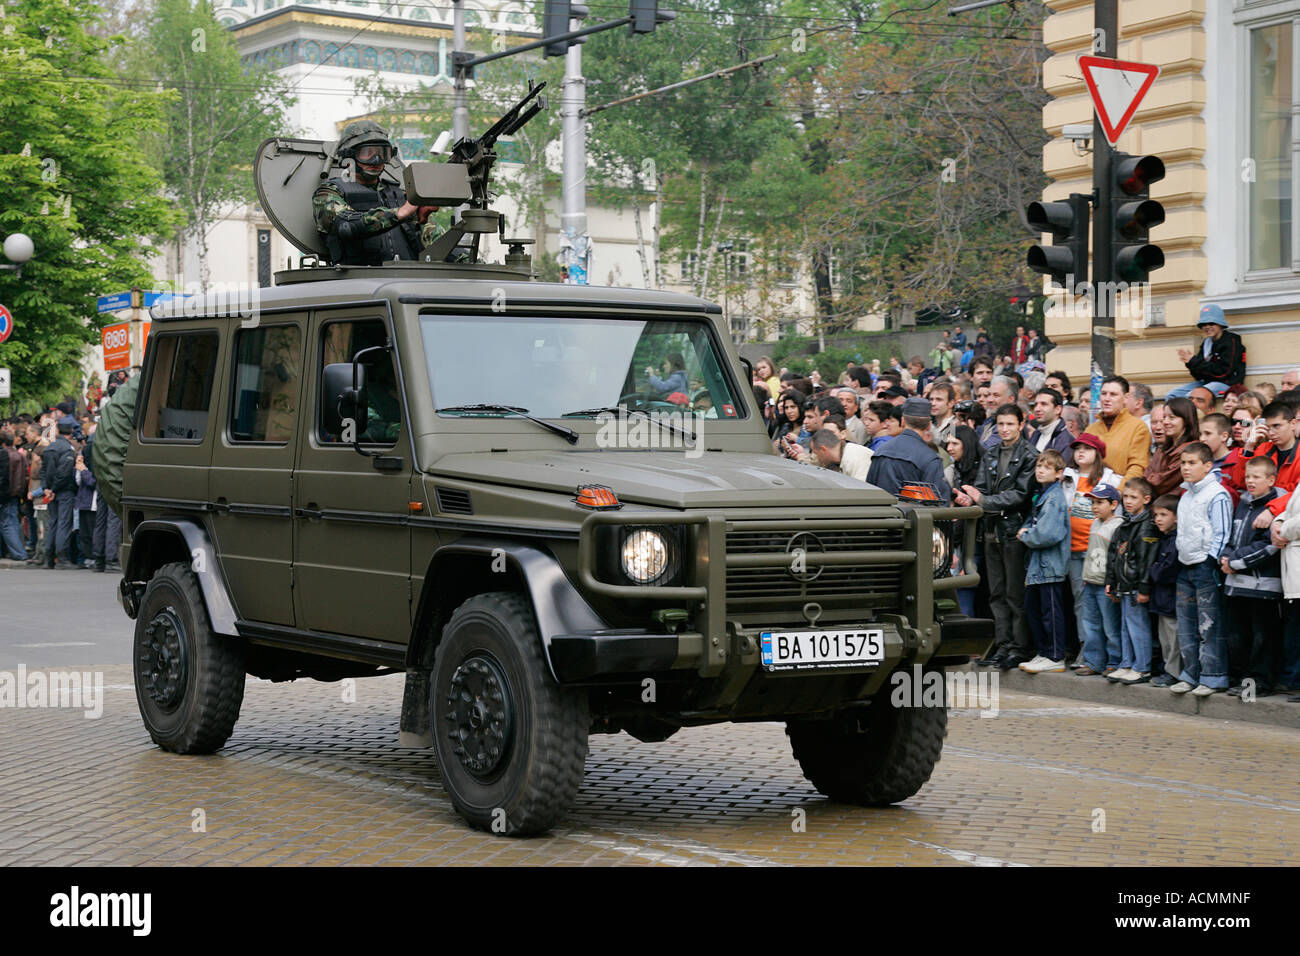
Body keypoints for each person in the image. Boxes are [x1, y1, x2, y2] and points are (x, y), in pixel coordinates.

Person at [959, 404, 1038, 669]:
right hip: (991, 530)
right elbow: (980, 488)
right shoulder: (991, 452)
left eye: (1010, 424)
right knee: (996, 592)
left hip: (1013, 531)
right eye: (1000, 424)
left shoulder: (1029, 454)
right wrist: (970, 497)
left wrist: (983, 499)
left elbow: (1020, 495)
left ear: (1021, 424)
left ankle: (1019, 647)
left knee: (1015, 594)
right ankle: (1003, 645)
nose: (1004, 429)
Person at [312, 121, 438, 266]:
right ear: (348, 156)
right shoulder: (329, 193)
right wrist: (400, 213)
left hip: (407, 279)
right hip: (355, 281)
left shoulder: (400, 195)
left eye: (382, 153)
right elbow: (346, 226)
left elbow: (435, 240)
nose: (376, 160)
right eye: (367, 153)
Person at [1171, 442, 1234, 695]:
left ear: (1208, 466)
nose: (1186, 468)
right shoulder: (1186, 496)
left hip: (1205, 567)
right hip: (1185, 564)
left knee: (1209, 625)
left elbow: (1222, 532)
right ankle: (1190, 674)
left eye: (1192, 463)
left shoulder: (1217, 494)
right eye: (1183, 463)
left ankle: (1213, 676)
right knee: (1186, 624)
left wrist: (1210, 560)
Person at [1221, 456, 1284, 698]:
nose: (1250, 481)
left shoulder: (1277, 506)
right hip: (1236, 585)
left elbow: (1268, 546)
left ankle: (1259, 685)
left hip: (1263, 587)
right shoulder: (1243, 503)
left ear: (1270, 480)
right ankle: (1243, 682)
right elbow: (1232, 537)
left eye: (1256, 477)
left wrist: (1235, 563)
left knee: (1262, 639)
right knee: (1239, 637)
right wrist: (1224, 558)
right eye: (1247, 476)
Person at [1016, 450, 1072, 672]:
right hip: (1038, 567)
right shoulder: (1043, 494)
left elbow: (1049, 533)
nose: (1040, 470)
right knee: (1033, 609)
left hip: (1050, 566)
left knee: (1051, 612)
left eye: (1047, 467)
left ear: (1059, 473)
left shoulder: (1055, 497)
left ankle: (1056, 655)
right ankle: (1043, 652)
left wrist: (1026, 535)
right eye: (1039, 465)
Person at [1105, 476, 1159, 684]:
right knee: (1126, 627)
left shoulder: (1147, 526)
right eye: (1125, 497)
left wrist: (1144, 586)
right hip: (1123, 584)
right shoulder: (1125, 524)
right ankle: (1126, 664)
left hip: (1136, 585)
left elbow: (1147, 559)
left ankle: (1142, 667)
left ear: (1146, 499)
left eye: (1133, 497)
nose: (1128, 501)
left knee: (1138, 627)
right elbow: (1114, 555)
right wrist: (1111, 580)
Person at [1077, 483, 1123, 676]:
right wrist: (1086, 576)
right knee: (1090, 624)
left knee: (1110, 626)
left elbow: (1116, 558)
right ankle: (1094, 661)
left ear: (1113, 504)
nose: (1094, 506)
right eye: (1092, 502)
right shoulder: (1095, 523)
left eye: (1099, 502)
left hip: (1106, 585)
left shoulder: (1118, 526)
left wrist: (1112, 583)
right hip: (1090, 581)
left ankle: (1115, 661)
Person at [865, 397, 950, 499]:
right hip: (912, 514)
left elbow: (869, 491)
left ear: (903, 421)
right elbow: (938, 503)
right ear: (928, 425)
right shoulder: (929, 458)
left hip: (881, 513)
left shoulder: (881, 450)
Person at [1170, 304, 1247, 398]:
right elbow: (1199, 375)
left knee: (1190, 397)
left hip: (1227, 384)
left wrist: (1195, 361)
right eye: (1204, 325)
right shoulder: (1206, 343)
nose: (1207, 327)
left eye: (1211, 323)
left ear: (1220, 324)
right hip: (1206, 383)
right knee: (1172, 395)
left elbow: (1224, 373)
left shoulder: (1231, 342)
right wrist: (1190, 363)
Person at [1084, 375, 1152, 482]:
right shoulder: (1090, 429)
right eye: (1103, 394)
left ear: (1125, 398)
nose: (1107, 399)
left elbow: (1137, 467)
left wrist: (1118, 492)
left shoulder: (1138, 427)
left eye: (1113, 394)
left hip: (1119, 492)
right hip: (1088, 490)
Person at [1147, 494, 1183, 687]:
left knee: (1173, 639)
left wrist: (1152, 568)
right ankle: (1168, 670)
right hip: (1161, 599)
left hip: (1171, 599)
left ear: (1176, 517)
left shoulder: (1175, 540)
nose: (1158, 519)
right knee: (1165, 639)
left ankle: (1174, 673)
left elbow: (1164, 572)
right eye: (1156, 515)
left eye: (1163, 514)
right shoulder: (1164, 538)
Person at [41, 417, 78, 570]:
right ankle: (62, 558)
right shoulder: (67, 448)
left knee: (53, 523)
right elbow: (64, 472)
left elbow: (44, 471)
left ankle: (48, 558)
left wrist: (47, 488)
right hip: (63, 491)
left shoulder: (50, 447)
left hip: (52, 491)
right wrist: (54, 489)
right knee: (63, 523)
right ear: (70, 431)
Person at [1144, 396, 1199, 498]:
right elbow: (1147, 473)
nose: (1165, 422)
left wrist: (1149, 478)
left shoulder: (1191, 450)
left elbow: (1160, 484)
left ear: (1186, 420)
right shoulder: (1162, 448)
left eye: (1172, 418)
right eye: (1164, 417)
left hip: (1173, 505)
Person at [1030, 387, 1072, 456]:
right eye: (1036, 404)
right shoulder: (1036, 434)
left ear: (1057, 409)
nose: (1037, 409)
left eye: (1044, 404)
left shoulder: (1066, 440)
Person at [929, 382, 957, 448]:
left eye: (939, 399)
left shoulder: (956, 426)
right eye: (931, 399)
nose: (933, 403)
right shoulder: (933, 425)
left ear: (951, 403)